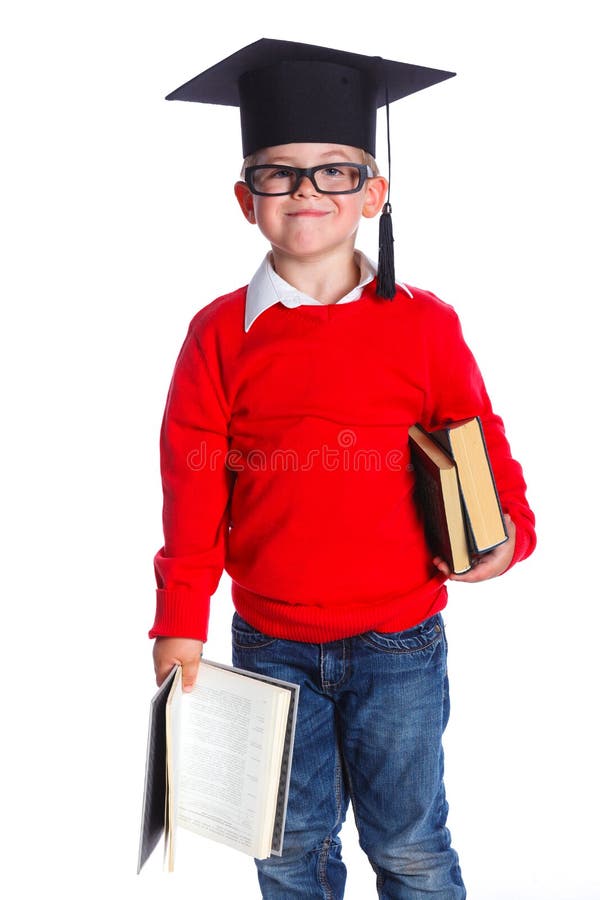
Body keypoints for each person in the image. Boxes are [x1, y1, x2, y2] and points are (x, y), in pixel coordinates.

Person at [150, 39, 536, 899]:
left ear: (374, 191)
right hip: (269, 644)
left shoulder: (424, 325)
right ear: (246, 200)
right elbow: (194, 483)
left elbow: (478, 440)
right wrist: (179, 619)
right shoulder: (220, 335)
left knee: (407, 844)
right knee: (286, 847)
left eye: (333, 173)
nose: (306, 193)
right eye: (280, 176)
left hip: (399, 642)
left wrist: (506, 536)